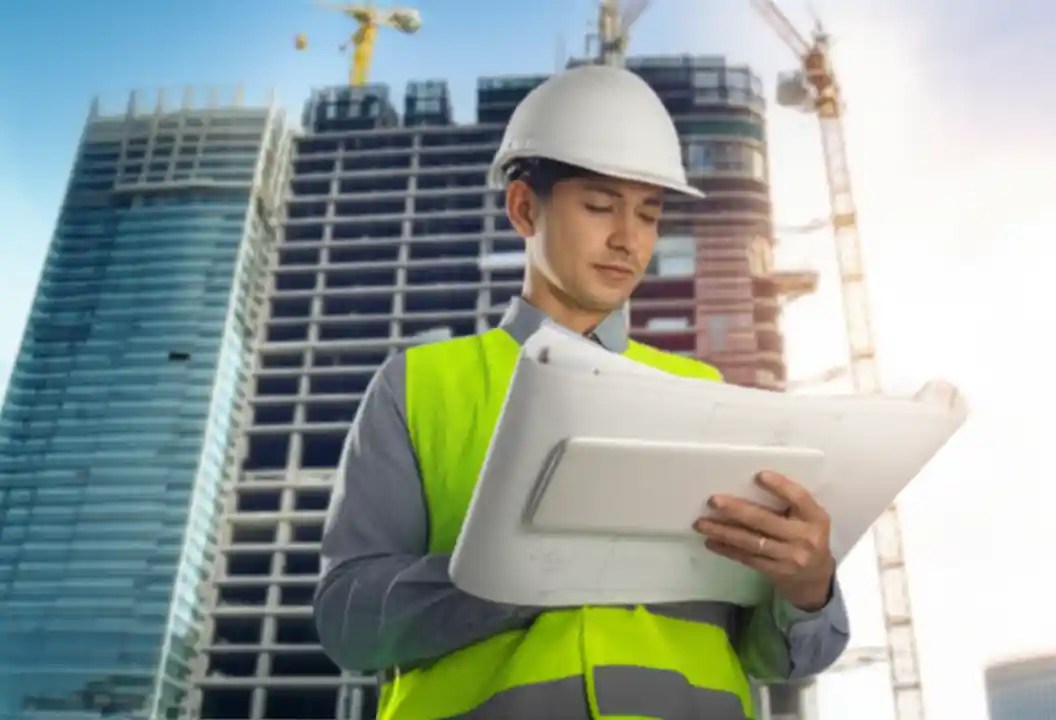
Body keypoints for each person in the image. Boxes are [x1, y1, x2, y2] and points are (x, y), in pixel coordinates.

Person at [314, 64, 850, 720]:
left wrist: (806, 588)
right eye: (599, 207)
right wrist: (517, 574)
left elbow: (772, 655)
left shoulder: (702, 392)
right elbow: (349, 625)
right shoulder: (421, 386)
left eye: (649, 216)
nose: (628, 240)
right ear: (522, 208)